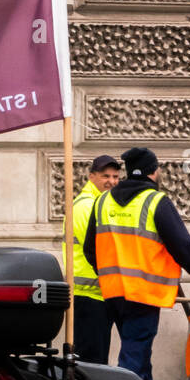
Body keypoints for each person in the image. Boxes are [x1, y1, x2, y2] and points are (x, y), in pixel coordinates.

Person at [84, 146, 190, 380]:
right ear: (152, 172)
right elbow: (182, 244)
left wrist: (107, 274)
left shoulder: (102, 201)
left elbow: (89, 250)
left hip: (113, 292)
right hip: (143, 294)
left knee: (139, 354)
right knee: (133, 357)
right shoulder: (156, 201)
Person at [71, 155, 121, 364]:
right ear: (92, 177)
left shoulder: (99, 203)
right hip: (89, 295)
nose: (111, 181)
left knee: (94, 358)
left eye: (116, 176)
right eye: (105, 176)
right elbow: (99, 249)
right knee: (91, 361)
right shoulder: (87, 206)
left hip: (96, 293)